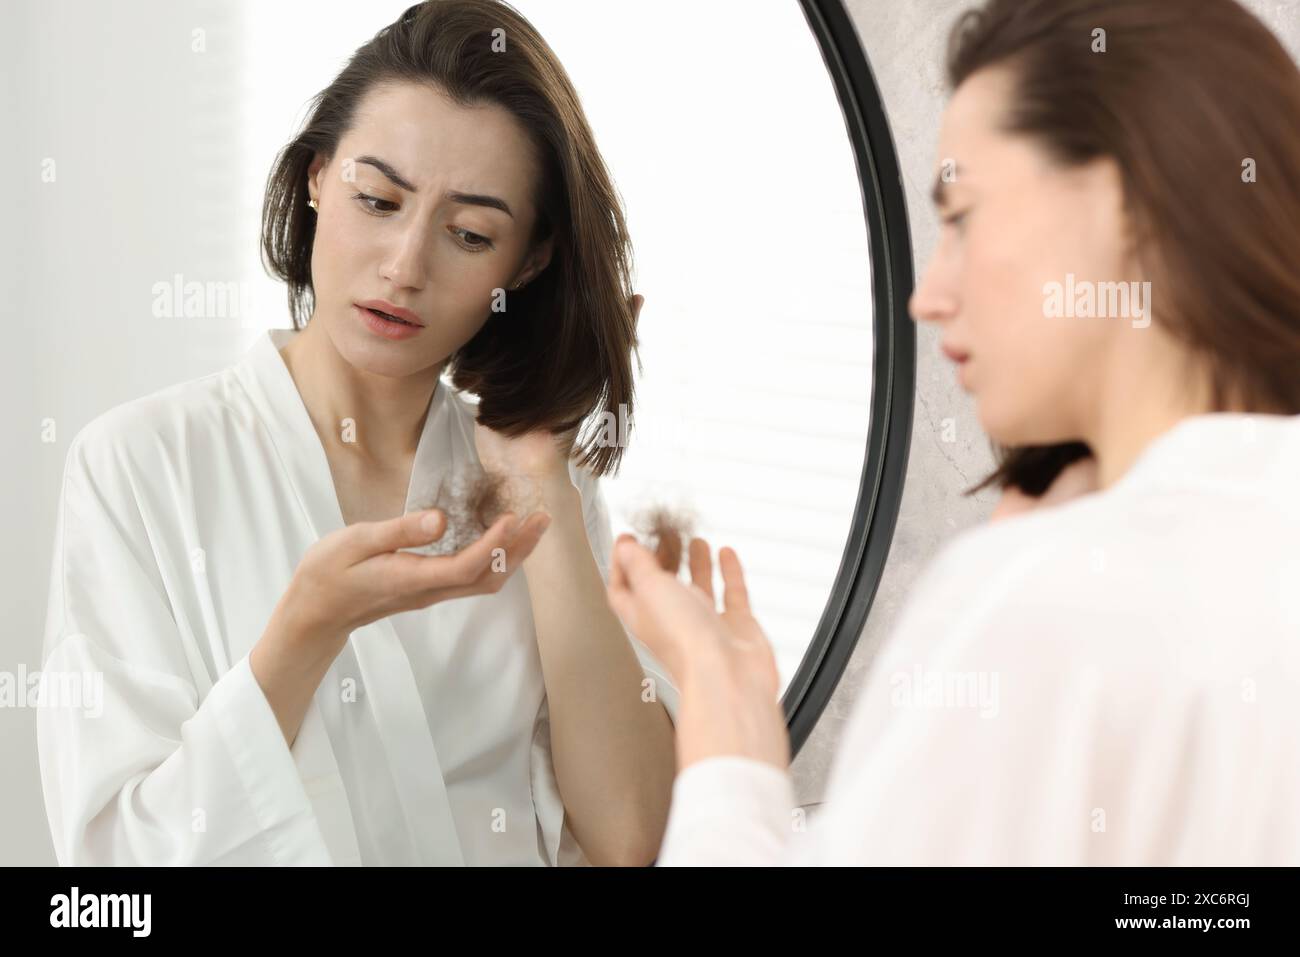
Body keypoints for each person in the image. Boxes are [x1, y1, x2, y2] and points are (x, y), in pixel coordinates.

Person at [608, 0, 1300, 866]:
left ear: (1128, 205)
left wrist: (723, 741)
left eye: (964, 218)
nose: (927, 296)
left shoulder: (1048, 600)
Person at [37, 0, 676, 867]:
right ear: (313, 175)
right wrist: (303, 632)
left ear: (527, 263)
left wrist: (544, 482)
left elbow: (632, 834)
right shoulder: (140, 468)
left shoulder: (539, 487)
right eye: (376, 198)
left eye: (469, 233)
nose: (405, 266)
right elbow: (113, 869)